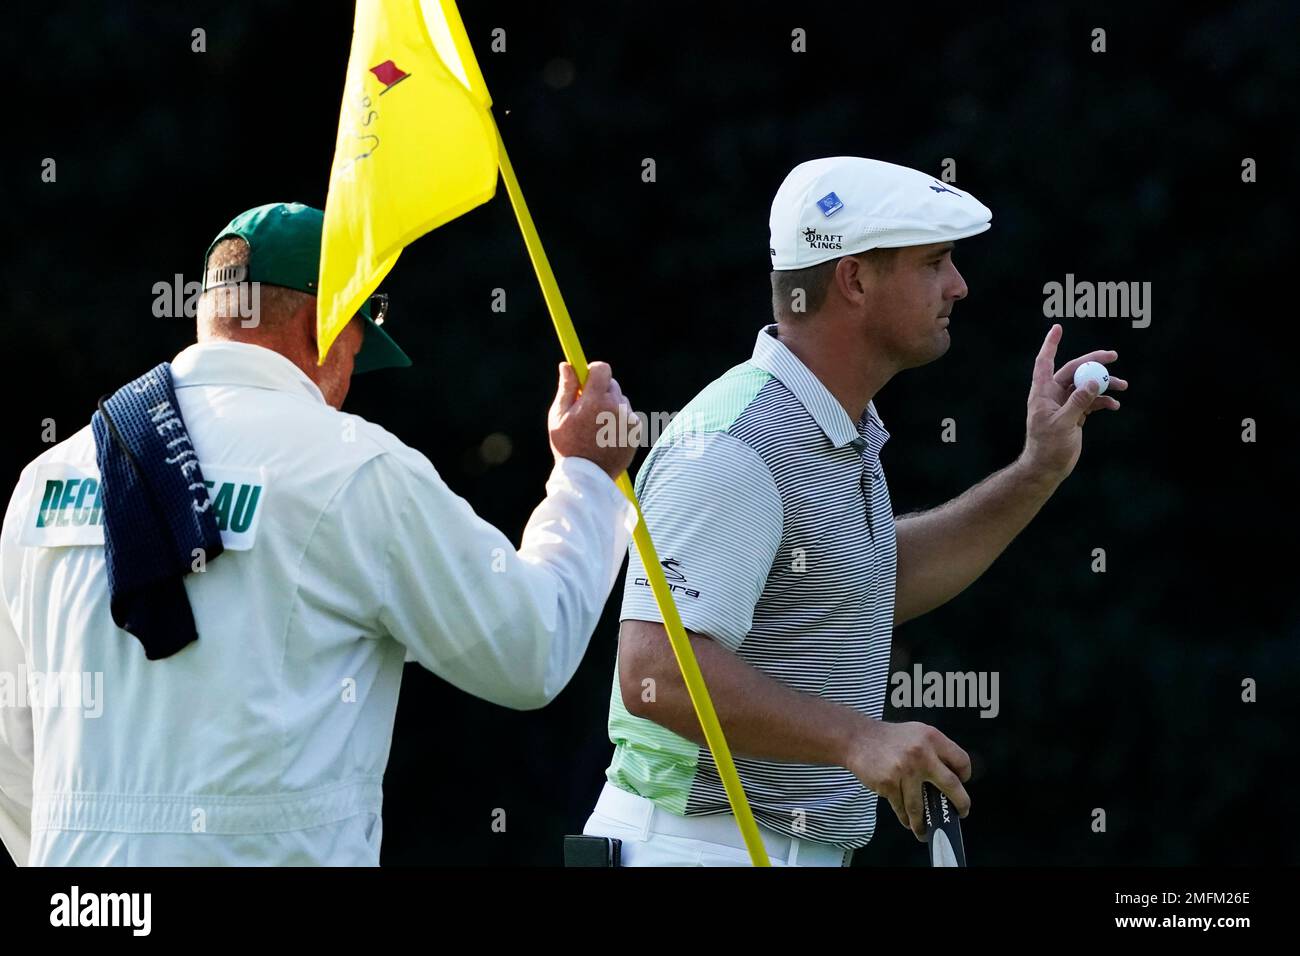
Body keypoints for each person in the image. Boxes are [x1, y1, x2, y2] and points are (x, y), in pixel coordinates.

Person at [0, 201, 638, 866]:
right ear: (324, 325)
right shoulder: (356, 468)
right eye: (356, 355)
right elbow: (529, 647)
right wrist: (586, 479)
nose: (344, 390)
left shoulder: (48, 477)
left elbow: (12, 751)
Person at [581, 157, 1128, 866]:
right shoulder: (732, 442)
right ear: (855, 279)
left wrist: (1036, 473)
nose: (959, 286)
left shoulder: (832, 424)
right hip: (692, 846)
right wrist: (858, 737)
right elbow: (654, 669)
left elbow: (862, 584)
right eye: (935, 263)